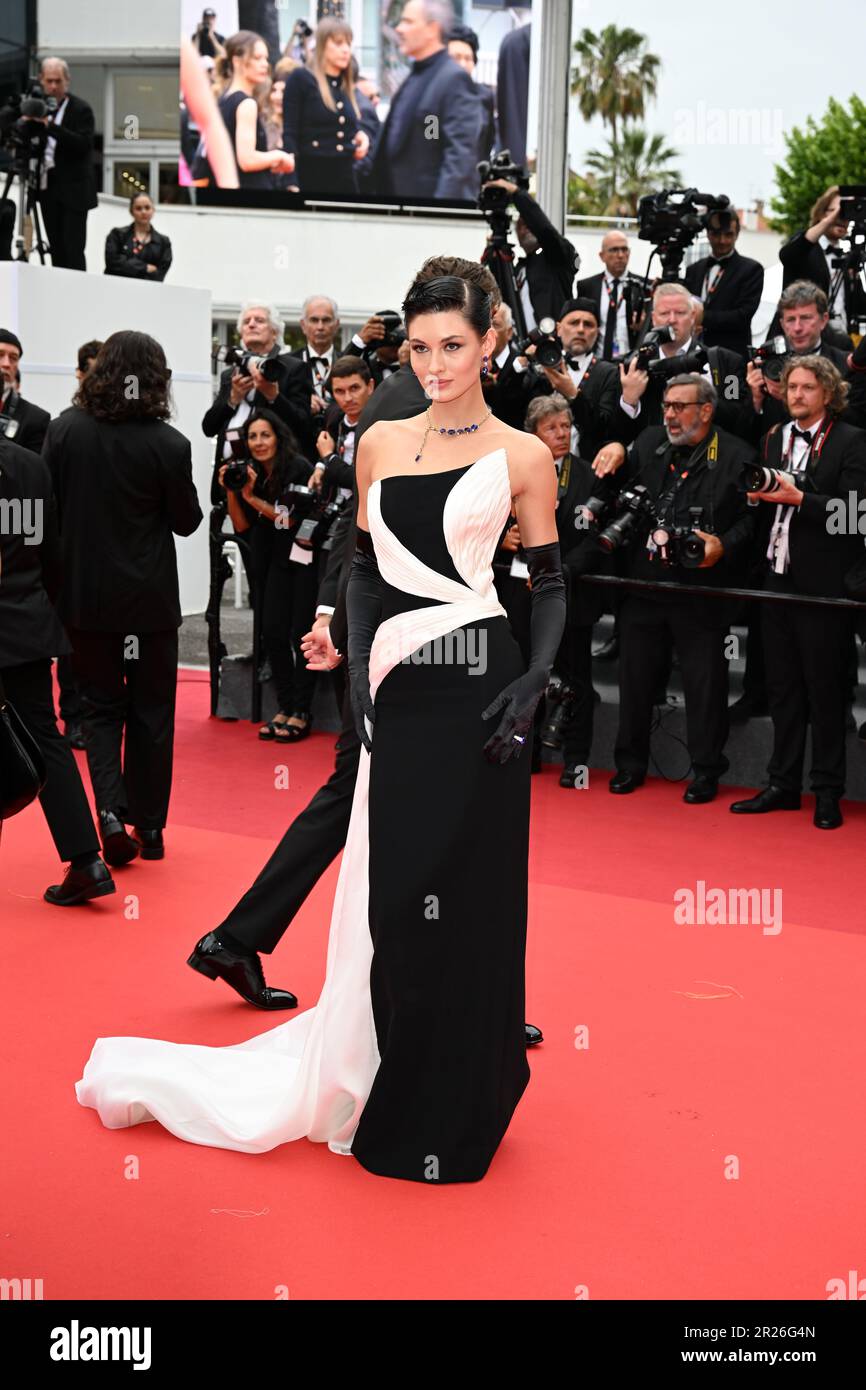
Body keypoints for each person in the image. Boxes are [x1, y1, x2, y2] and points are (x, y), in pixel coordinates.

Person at [77, 271, 565, 1181]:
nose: (434, 365)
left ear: (489, 342)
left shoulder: (522, 455)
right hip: (395, 686)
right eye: (418, 347)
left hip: (485, 685)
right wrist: (349, 641)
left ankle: (469, 1085)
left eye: (452, 346)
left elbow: (550, 582)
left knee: (476, 889)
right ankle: (390, 1071)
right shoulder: (377, 440)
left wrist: (538, 676)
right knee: (397, 890)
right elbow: (368, 567)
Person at [43, 331, 203, 866]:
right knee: (153, 712)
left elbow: (48, 515)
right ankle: (150, 828)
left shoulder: (65, 432)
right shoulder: (169, 444)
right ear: (155, 379)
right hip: (149, 606)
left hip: (87, 603)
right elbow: (186, 523)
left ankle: (109, 812)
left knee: (101, 711)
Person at [603, 375, 755, 803]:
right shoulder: (649, 441)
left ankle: (706, 771)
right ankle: (629, 764)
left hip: (701, 592)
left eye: (679, 407)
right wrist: (617, 445)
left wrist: (723, 545)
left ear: (706, 410)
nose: (669, 415)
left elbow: (750, 522)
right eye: (666, 405)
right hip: (643, 586)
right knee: (633, 683)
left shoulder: (737, 454)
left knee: (706, 688)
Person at [731, 357, 866, 829]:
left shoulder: (851, 441)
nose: (798, 395)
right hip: (775, 580)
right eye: (792, 387)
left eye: (809, 388)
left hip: (823, 586)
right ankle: (783, 784)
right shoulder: (772, 438)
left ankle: (828, 791)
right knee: (783, 689)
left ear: (828, 394)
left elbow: (855, 517)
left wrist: (799, 500)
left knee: (825, 693)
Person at [0, 434, 114, 905]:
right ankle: (86, 859)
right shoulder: (25, 465)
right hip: (24, 619)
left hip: (24, 614)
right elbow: (46, 550)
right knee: (45, 735)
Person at [219, 409, 319, 743]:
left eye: (265, 435)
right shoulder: (248, 473)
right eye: (252, 437)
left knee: (300, 635)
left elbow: (287, 521)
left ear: (278, 436)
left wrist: (250, 496)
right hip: (273, 561)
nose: (259, 443)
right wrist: (234, 491)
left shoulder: (298, 468)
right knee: (272, 632)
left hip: (304, 559)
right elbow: (242, 525)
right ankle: (285, 704)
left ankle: (302, 710)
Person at [369, 0, 481, 203]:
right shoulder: (418, 75)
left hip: (425, 212)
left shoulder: (451, 80)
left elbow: (458, 156)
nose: (399, 28)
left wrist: (436, 212)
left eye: (408, 22)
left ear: (432, 29)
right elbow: (431, 133)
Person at [616, 281, 753, 443]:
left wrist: (705, 396)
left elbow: (737, 416)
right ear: (653, 318)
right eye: (664, 313)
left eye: (680, 313)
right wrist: (629, 401)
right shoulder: (631, 366)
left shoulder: (727, 363)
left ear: (693, 317)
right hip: (652, 460)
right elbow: (616, 433)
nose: (672, 320)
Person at [203, 300, 312, 498]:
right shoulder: (230, 374)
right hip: (230, 481)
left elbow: (303, 425)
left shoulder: (293, 369)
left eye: (259, 320)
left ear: (275, 331)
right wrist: (233, 399)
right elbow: (208, 428)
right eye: (246, 322)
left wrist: (273, 396)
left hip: (273, 484)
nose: (252, 324)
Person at [281, 17, 368, 198]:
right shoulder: (301, 78)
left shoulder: (345, 84)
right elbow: (290, 133)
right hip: (311, 176)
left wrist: (361, 137)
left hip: (345, 178)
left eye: (348, 44)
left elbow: (344, 127)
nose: (346, 50)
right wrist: (291, 181)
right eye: (338, 43)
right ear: (322, 45)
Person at [481, 177, 579, 331]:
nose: (525, 229)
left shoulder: (557, 257)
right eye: (520, 226)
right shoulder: (519, 269)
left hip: (551, 344)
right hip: (521, 346)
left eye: (529, 224)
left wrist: (517, 193)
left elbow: (546, 232)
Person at [779, 187, 866, 342]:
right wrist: (828, 221)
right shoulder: (806, 247)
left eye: (845, 213)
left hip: (839, 340)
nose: (841, 218)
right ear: (822, 213)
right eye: (835, 211)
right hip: (803, 338)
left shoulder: (848, 254)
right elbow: (787, 255)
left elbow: (858, 305)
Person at [35, 58, 98, 271]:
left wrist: (51, 127)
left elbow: (83, 144)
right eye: (49, 81)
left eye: (58, 81)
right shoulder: (38, 108)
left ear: (67, 81)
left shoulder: (81, 109)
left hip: (74, 191)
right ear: (41, 81)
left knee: (73, 250)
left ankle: (77, 297)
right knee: (56, 248)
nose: (53, 87)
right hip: (47, 188)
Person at [213, 31, 295, 188]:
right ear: (237, 61)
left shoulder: (224, 100)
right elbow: (246, 160)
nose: (265, 64)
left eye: (265, 58)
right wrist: (279, 156)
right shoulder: (246, 104)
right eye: (257, 58)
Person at [684, 209, 764, 359]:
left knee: (731, 384)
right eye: (716, 234)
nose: (722, 240)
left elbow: (743, 315)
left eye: (728, 234)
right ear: (708, 234)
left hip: (731, 356)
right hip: (693, 354)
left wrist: (702, 318)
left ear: (737, 235)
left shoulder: (751, 269)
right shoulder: (693, 269)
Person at [576, 231, 645, 361]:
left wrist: (644, 324)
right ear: (602, 256)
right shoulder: (587, 286)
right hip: (596, 360)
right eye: (614, 250)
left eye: (624, 250)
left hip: (632, 361)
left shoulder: (642, 286)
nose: (620, 255)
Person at [446, 23, 497, 164]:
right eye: (456, 57)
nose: (463, 64)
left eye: (468, 58)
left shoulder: (484, 97)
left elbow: (487, 142)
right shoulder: (432, 97)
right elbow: (430, 141)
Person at [0, 330, 50, 452]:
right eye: (0, 355)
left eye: (13, 358)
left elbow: (32, 469)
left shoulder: (36, 419)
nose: (6, 364)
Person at [104, 193, 173, 281]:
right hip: (118, 286)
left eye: (147, 208)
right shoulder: (117, 235)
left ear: (153, 210)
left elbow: (159, 274)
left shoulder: (164, 242)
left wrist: (128, 265)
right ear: (131, 211)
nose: (143, 212)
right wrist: (144, 267)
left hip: (148, 290)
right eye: (138, 208)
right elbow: (112, 262)